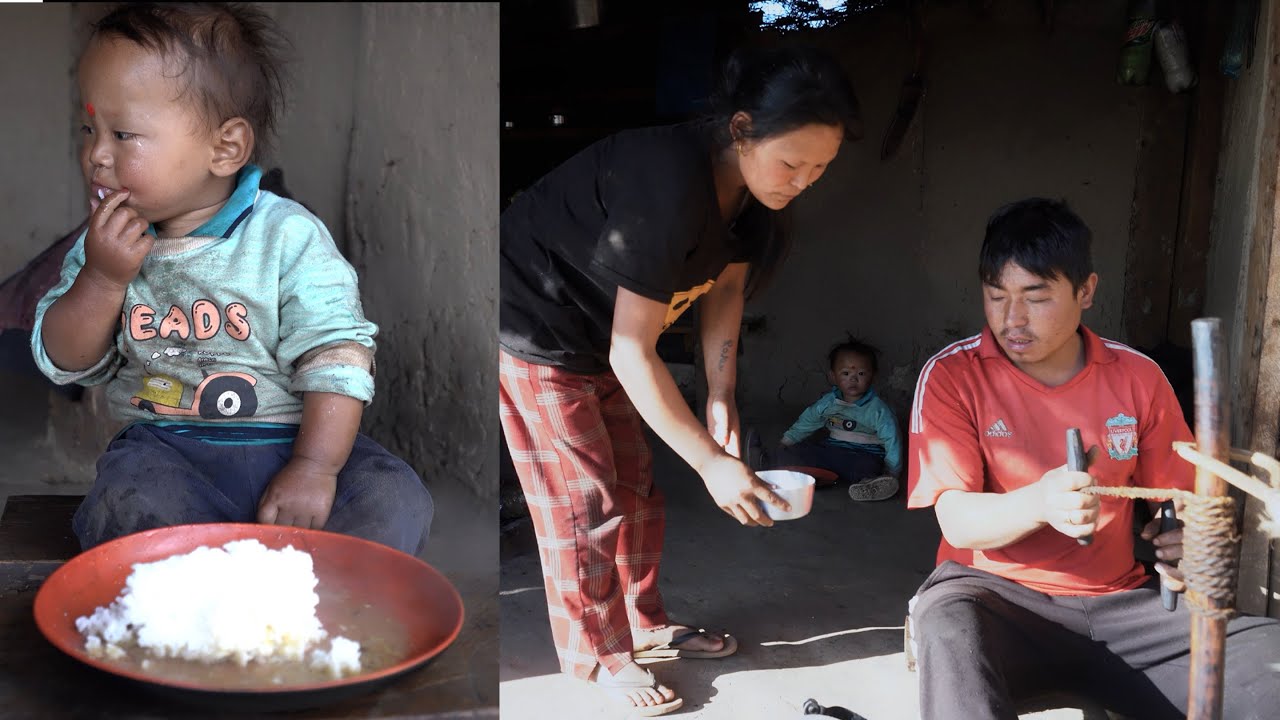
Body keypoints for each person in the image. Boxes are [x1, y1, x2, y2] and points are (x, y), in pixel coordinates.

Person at [499, 46, 862, 715]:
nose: (801, 181)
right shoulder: (665, 180)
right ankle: (598, 654)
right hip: (537, 327)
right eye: (791, 162)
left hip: (605, 334)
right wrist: (709, 463)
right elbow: (632, 350)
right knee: (583, 501)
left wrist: (719, 396)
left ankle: (644, 624)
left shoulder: (752, 199)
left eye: (820, 169)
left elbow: (725, 293)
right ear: (742, 127)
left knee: (635, 486)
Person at [31, 3, 432, 557]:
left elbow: (337, 357)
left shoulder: (288, 238)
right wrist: (101, 280)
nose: (97, 154)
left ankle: (324, 603)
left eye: (123, 134)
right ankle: (200, 608)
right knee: (128, 501)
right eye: (88, 128)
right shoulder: (104, 247)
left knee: (394, 498)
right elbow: (64, 359)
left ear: (224, 148)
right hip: (167, 451)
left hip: (293, 444)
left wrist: (315, 467)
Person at [905, 198, 1280, 719]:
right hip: (996, 600)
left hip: (1125, 606)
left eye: (1035, 297)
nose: (1012, 319)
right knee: (947, 629)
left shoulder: (1137, 376)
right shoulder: (953, 374)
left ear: (1085, 291)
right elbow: (957, 521)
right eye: (996, 296)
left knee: (1269, 663)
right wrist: (1040, 502)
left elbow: (1182, 501)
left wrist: (1186, 541)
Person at [749, 336, 902, 501]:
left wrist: (892, 472)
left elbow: (892, 440)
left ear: (873, 376)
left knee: (869, 466)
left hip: (863, 455)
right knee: (804, 451)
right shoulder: (828, 403)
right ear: (833, 376)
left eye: (861, 373)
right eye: (846, 373)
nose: (853, 378)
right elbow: (807, 422)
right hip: (831, 451)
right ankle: (766, 460)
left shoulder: (878, 409)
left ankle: (871, 485)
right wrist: (786, 442)